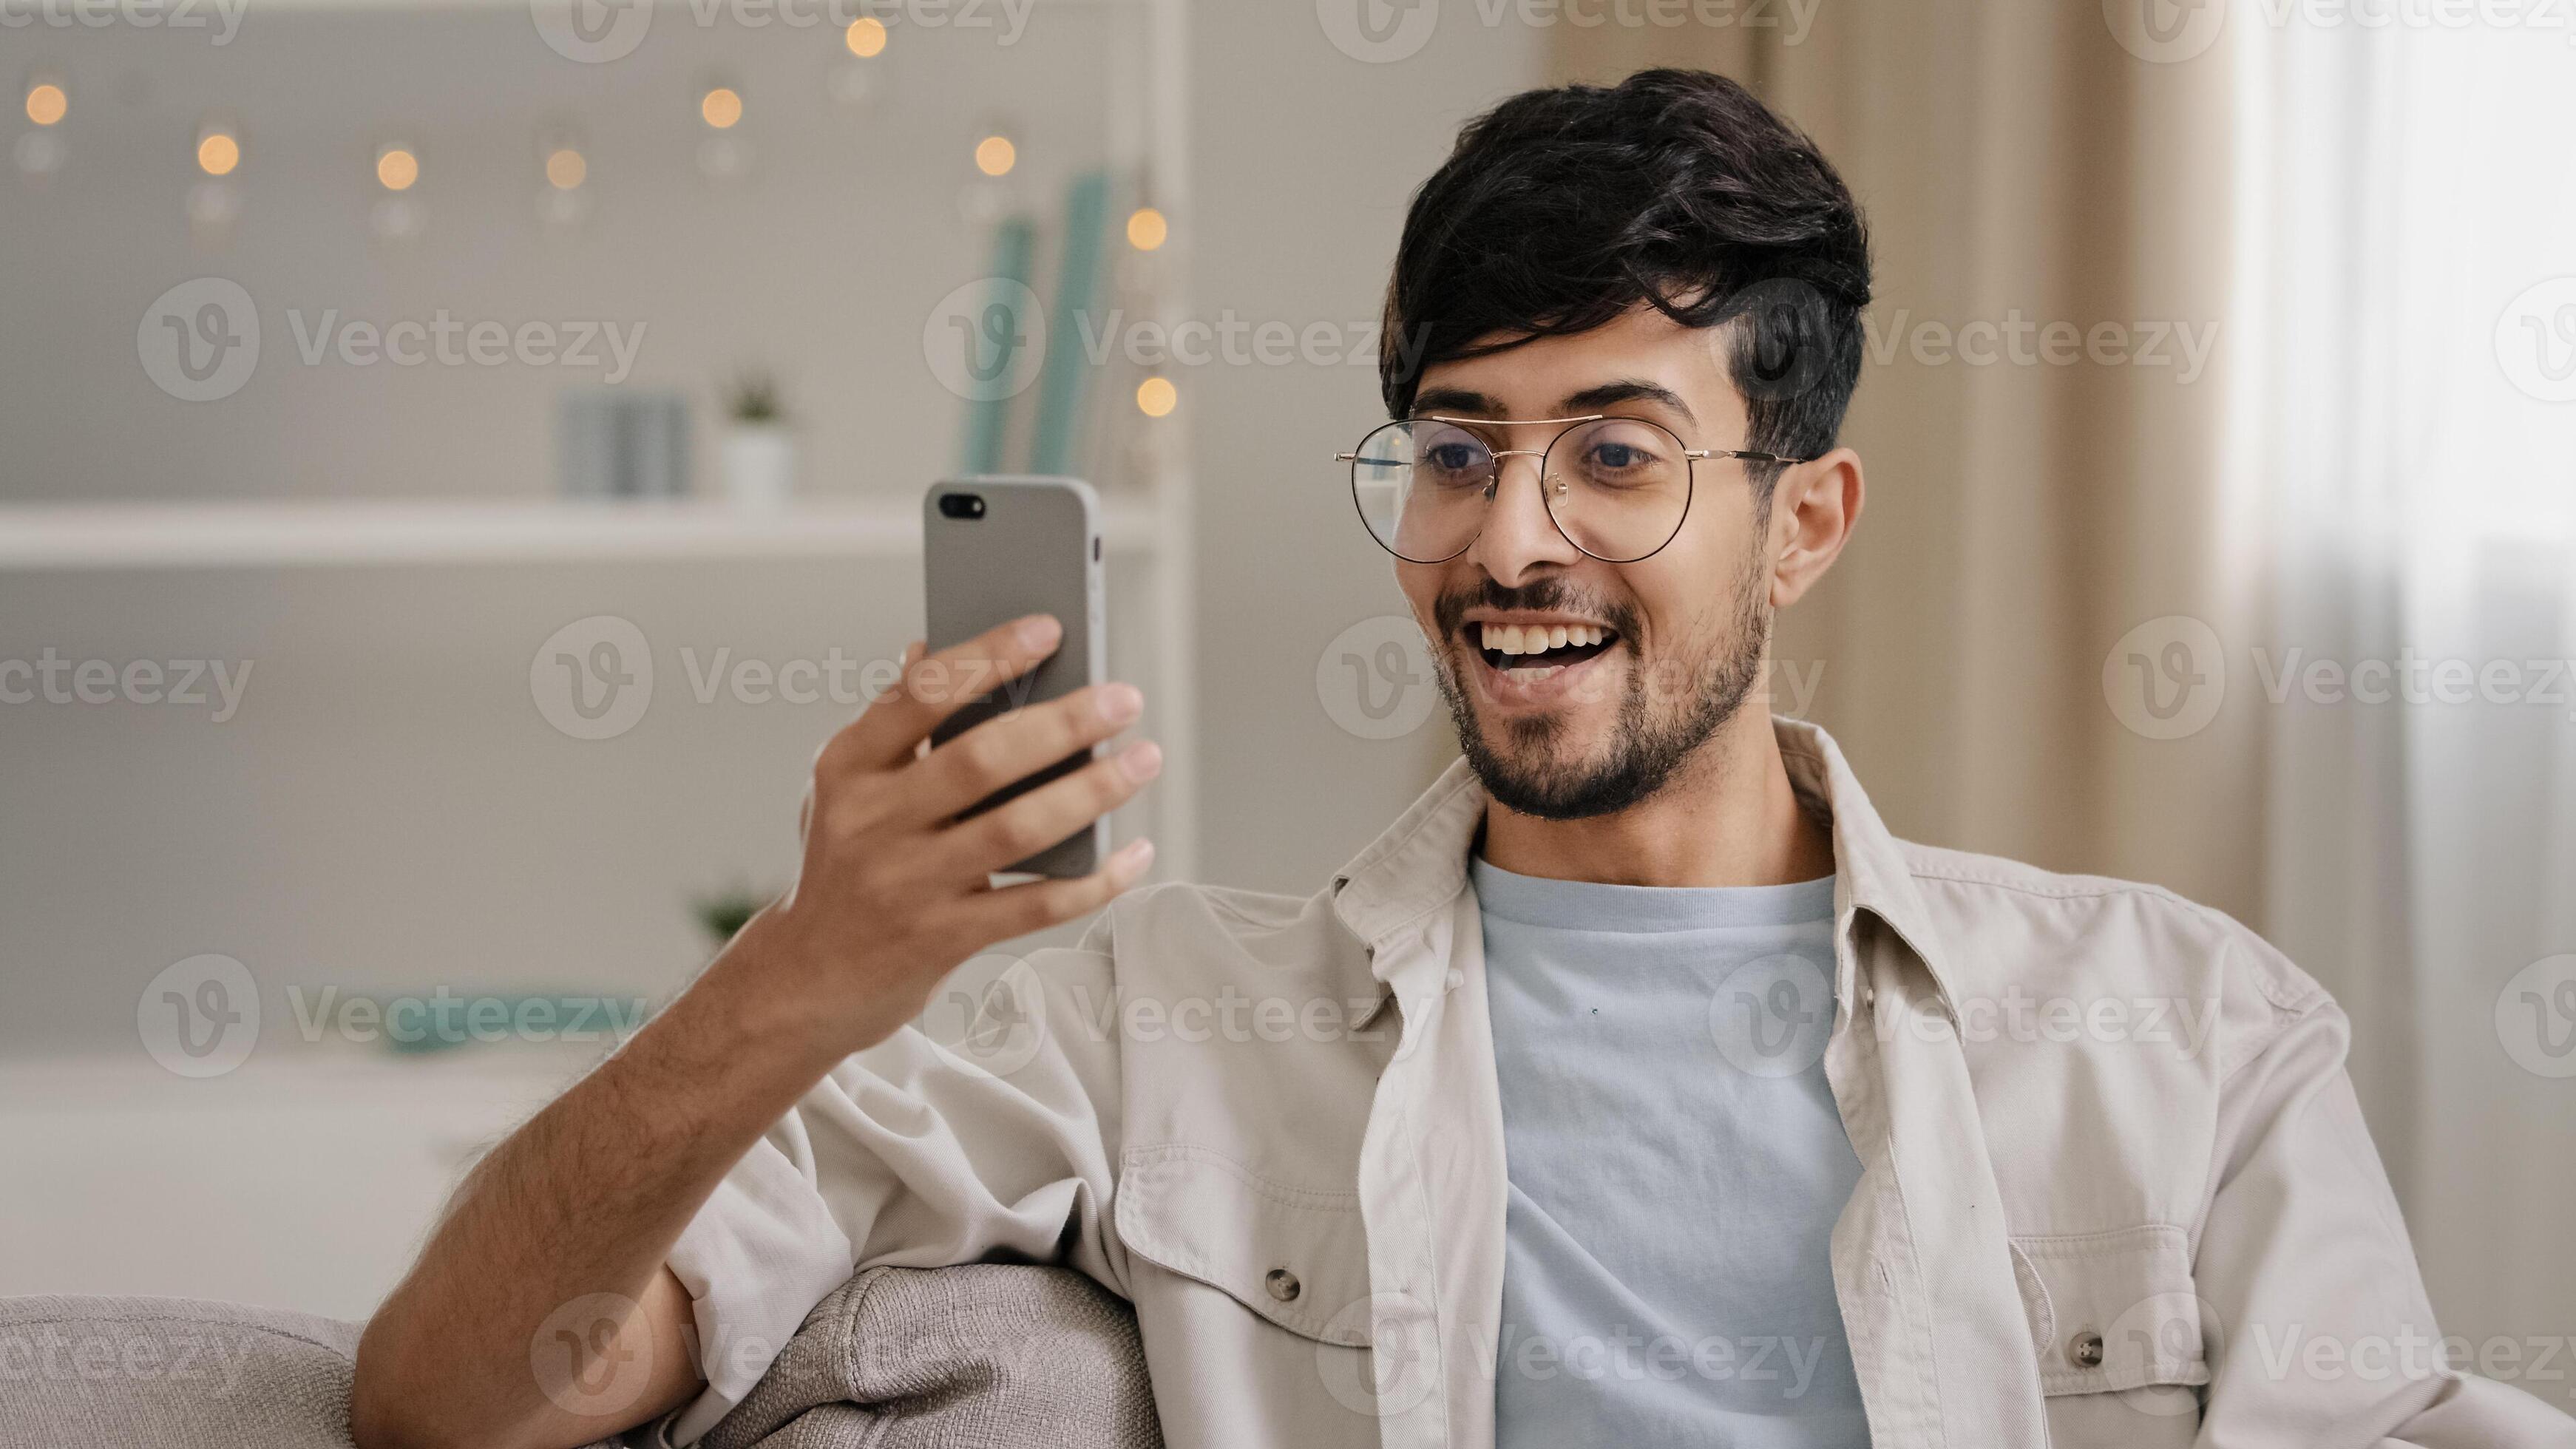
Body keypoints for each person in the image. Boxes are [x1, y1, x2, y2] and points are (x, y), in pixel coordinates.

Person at [350, 69, 2572, 1449]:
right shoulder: (1149, 1025)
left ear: (1805, 520)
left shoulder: (2184, 1029)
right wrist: (806, 976)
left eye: (1614, 452)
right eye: (1454, 449)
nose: (1509, 540)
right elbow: (457, 1402)